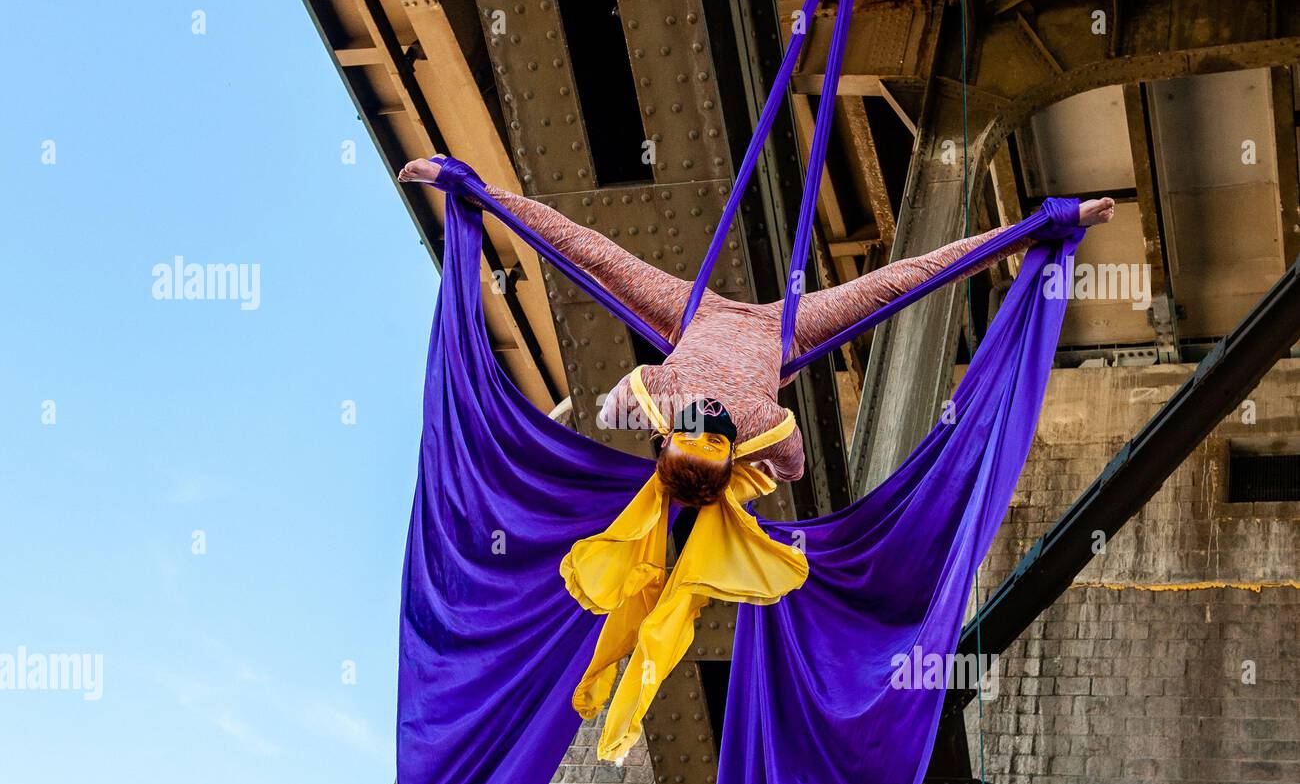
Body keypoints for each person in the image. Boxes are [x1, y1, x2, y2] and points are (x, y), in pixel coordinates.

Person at [400, 157, 1114, 507]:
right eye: (710, 442)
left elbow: (794, 462)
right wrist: (472, 188)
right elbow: (612, 405)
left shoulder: (731, 413)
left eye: (694, 437)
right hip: (751, 327)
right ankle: (1043, 225)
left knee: (900, 285)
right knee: (902, 283)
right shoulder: (681, 399)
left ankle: (1048, 223)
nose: (705, 425)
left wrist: (755, 465)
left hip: (728, 323)